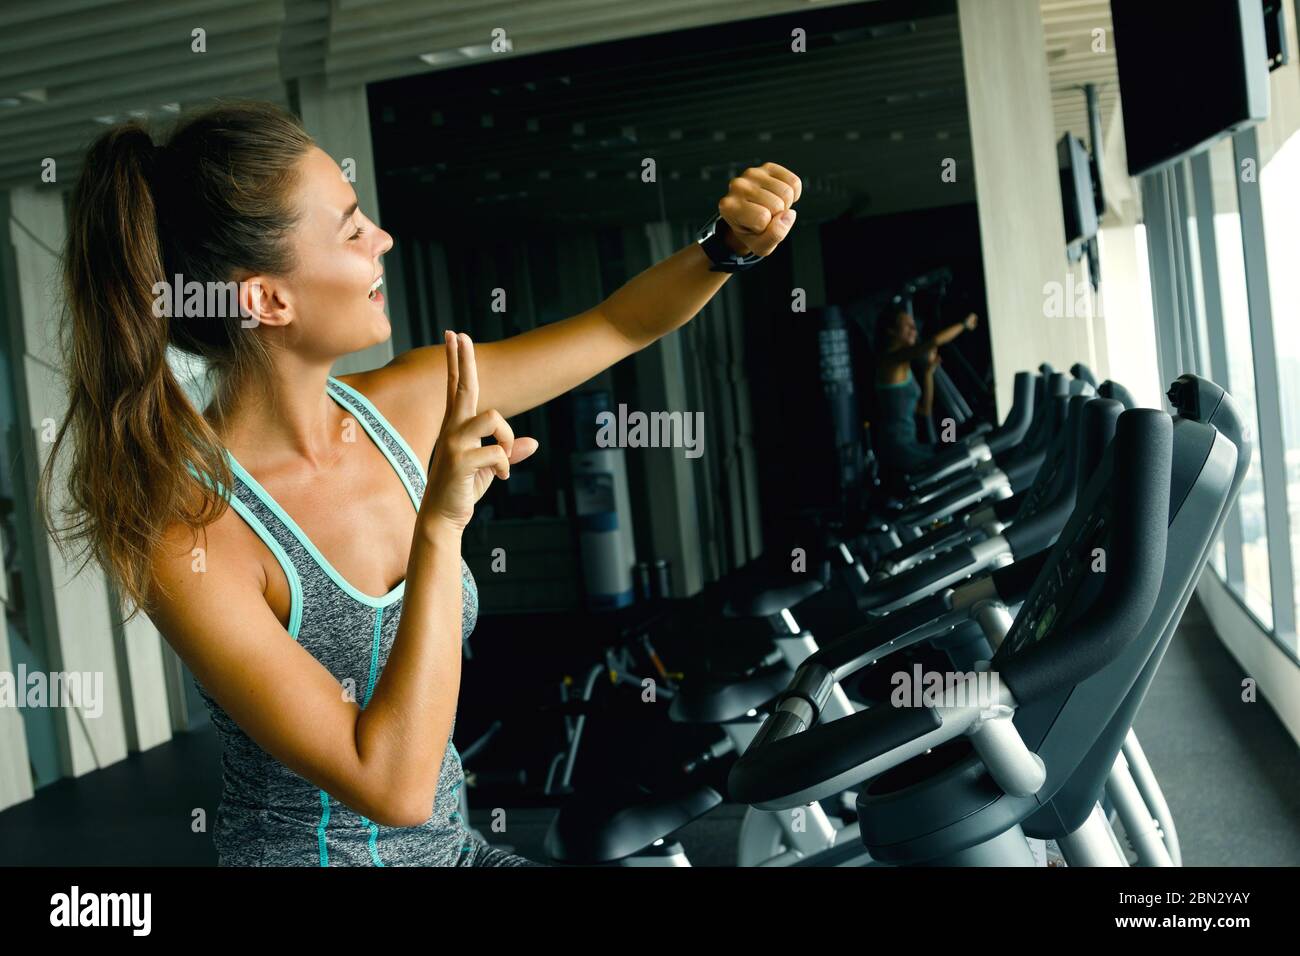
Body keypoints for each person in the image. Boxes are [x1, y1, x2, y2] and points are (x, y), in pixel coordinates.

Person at [39, 100, 801, 866]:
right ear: (268, 299)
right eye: (351, 229)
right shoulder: (193, 534)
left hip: (450, 852)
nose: (384, 240)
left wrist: (725, 249)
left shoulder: (406, 402)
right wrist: (440, 525)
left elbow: (617, 326)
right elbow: (391, 786)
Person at [872, 307, 979, 488]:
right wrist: (964, 324)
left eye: (914, 326)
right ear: (891, 331)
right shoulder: (889, 362)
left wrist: (928, 373)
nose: (914, 330)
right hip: (898, 447)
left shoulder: (903, 366)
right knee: (951, 470)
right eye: (907, 326)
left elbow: (925, 409)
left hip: (910, 444)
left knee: (956, 457)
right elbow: (934, 341)